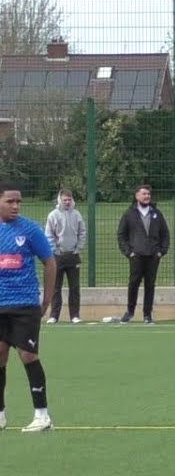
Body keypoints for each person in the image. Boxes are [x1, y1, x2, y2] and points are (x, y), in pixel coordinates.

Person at [0, 182, 57, 432]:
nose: (16, 206)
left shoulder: (30, 230)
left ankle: (42, 415)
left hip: (24, 304)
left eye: (18, 201)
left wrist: (46, 300)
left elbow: (50, 263)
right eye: (10, 201)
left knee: (28, 355)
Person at [116, 184, 169, 324]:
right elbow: (121, 235)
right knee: (134, 283)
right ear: (137, 196)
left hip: (153, 255)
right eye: (144, 194)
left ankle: (147, 315)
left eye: (148, 194)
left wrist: (161, 251)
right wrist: (129, 252)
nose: (147, 196)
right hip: (137, 255)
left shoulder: (156, 213)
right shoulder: (129, 214)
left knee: (150, 285)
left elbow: (165, 234)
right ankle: (130, 312)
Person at [44, 188, 86, 325]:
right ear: (59, 200)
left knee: (74, 287)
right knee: (56, 287)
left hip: (73, 255)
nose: (67, 202)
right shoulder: (53, 215)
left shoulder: (77, 215)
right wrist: (55, 249)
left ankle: (75, 315)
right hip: (57, 256)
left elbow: (82, 232)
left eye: (69, 199)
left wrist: (78, 248)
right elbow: (48, 234)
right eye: (64, 200)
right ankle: (54, 316)